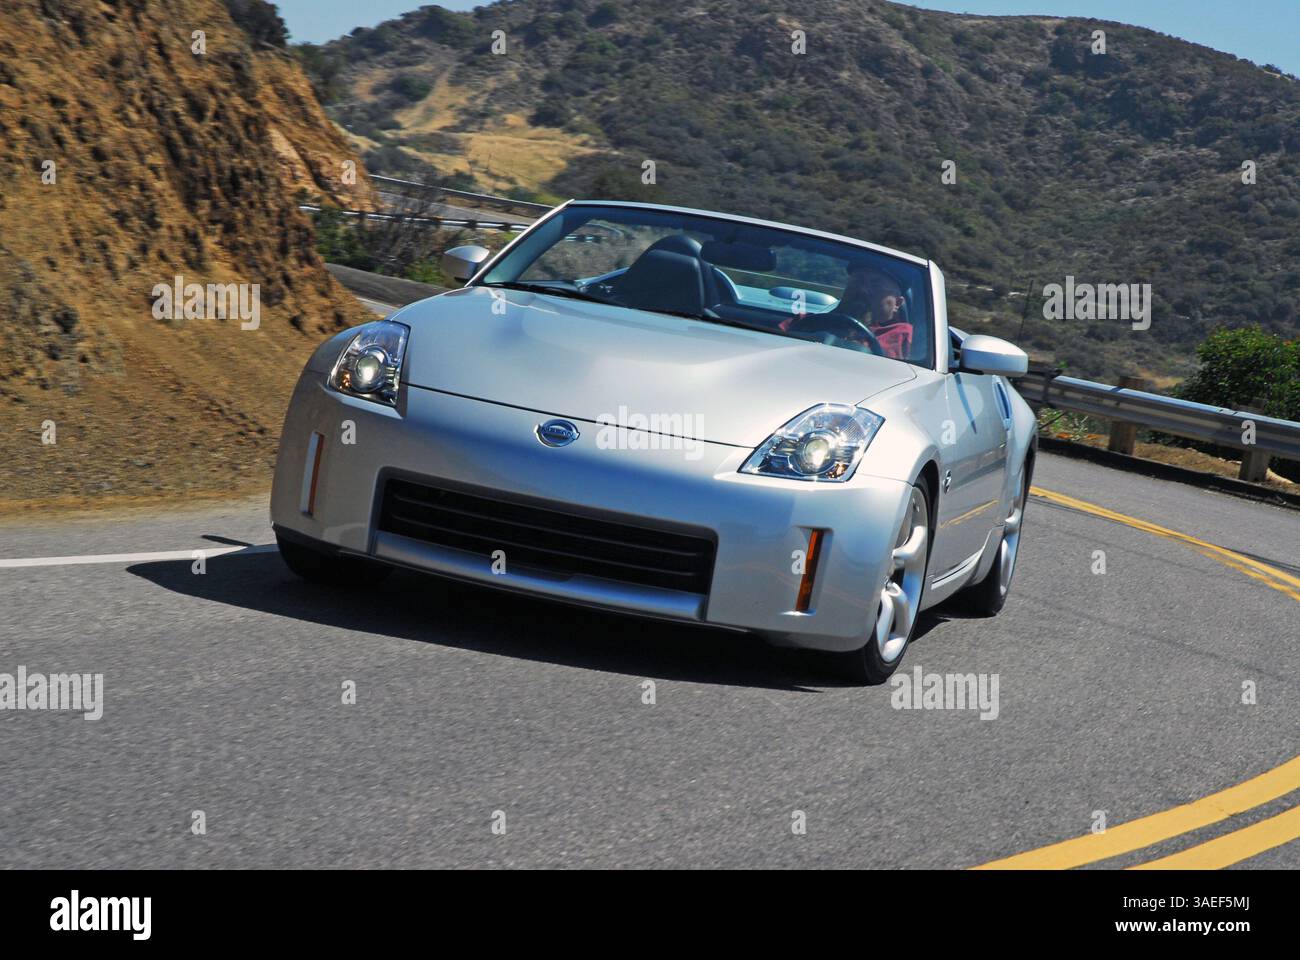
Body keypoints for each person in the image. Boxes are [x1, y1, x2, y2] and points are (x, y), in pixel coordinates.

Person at [838, 263, 913, 360]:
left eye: (875, 285)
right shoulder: (817, 323)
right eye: (856, 282)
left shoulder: (905, 337)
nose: (862, 290)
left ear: (897, 303)